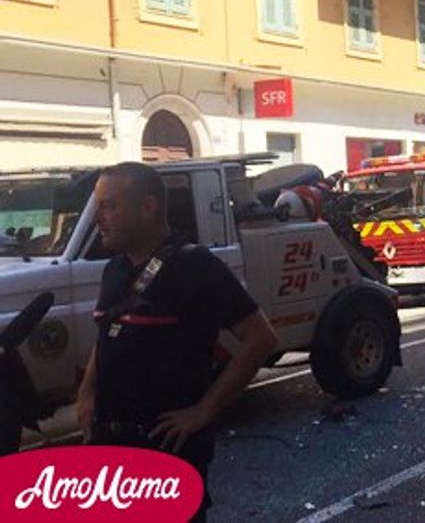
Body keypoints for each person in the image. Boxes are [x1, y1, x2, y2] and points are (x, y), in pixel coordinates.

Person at [76, 162, 279, 521]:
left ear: (148, 206)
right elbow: (109, 331)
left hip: (166, 452)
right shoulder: (115, 270)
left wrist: (205, 410)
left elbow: (260, 339)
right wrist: (87, 392)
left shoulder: (196, 267)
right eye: (98, 207)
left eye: (110, 206)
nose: (99, 218)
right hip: (112, 450)